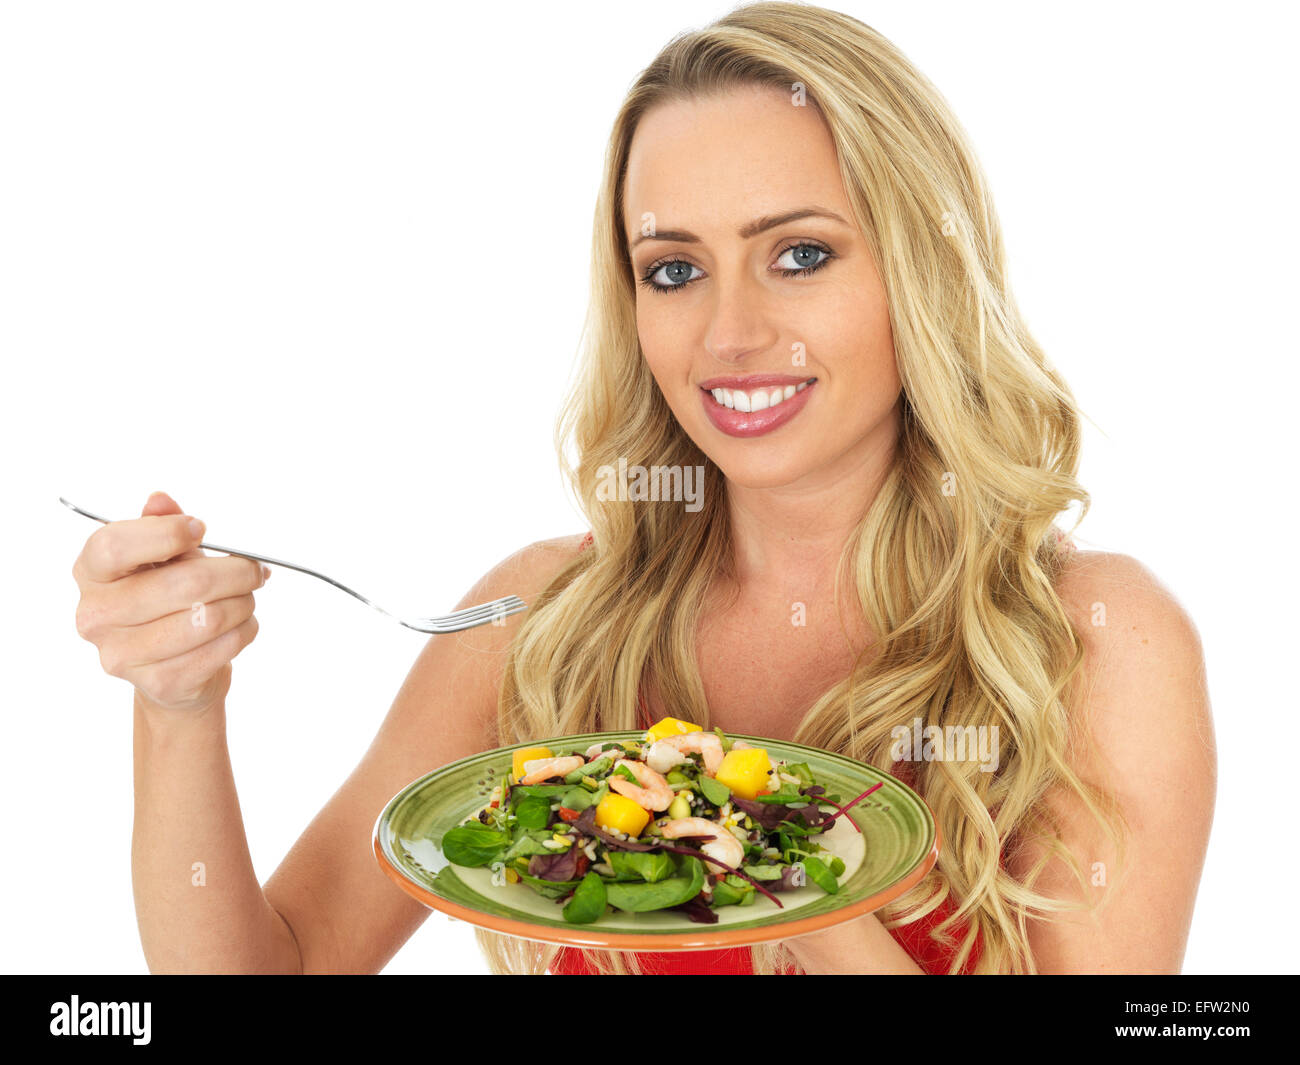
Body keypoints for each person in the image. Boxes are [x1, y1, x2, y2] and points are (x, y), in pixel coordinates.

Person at [69, 1, 1215, 975]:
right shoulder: (539, 621)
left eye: (800, 253)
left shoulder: (1093, 646)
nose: (729, 333)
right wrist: (179, 704)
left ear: (921, 267)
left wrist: (775, 867)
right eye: (673, 270)